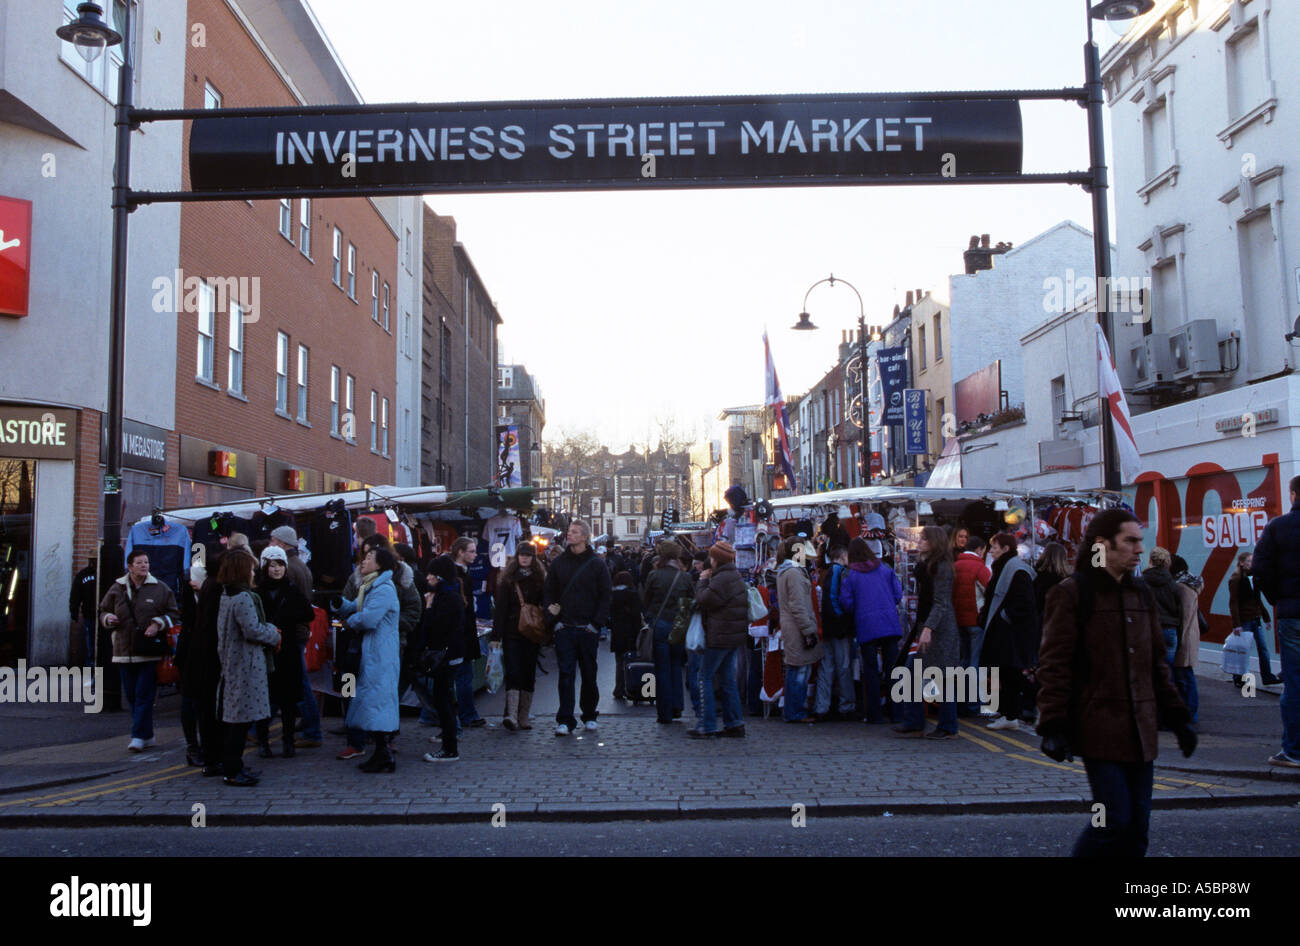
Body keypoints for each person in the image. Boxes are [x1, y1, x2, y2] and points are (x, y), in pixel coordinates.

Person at [1036, 508, 1196, 856]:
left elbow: (1156, 664)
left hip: (1141, 730)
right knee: (1112, 821)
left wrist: (1179, 716)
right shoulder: (1073, 593)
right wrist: (1053, 722)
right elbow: (1054, 663)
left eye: (1140, 541)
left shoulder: (1141, 594)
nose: (1139, 549)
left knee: (1137, 830)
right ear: (1102, 545)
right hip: (1099, 729)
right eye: (1130, 541)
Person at [99, 549, 180, 752]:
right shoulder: (117, 588)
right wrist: (108, 619)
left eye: (146, 562)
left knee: (144, 694)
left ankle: (136, 737)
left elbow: (173, 614)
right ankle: (148, 734)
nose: (144, 566)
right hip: (123, 650)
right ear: (129, 566)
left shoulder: (160, 589)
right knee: (132, 696)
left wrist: (157, 624)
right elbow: (103, 609)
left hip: (149, 651)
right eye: (139, 563)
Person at [214, 550, 282, 786]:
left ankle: (235, 766)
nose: (254, 573)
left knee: (236, 718)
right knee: (240, 721)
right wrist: (273, 634)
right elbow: (252, 630)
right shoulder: (242, 598)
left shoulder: (226, 595)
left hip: (232, 662)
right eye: (251, 569)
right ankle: (233, 770)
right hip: (245, 664)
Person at [336, 546, 401, 772]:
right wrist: (341, 605)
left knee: (378, 701)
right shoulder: (370, 587)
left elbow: (369, 618)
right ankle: (380, 753)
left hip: (381, 655)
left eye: (369, 558)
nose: (363, 561)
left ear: (380, 564)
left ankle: (383, 754)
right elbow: (358, 607)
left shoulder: (383, 589)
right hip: (372, 653)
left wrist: (350, 622)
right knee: (370, 699)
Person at [1249, 475, 1300, 767]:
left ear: (1293, 494)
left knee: (1294, 683)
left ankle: (1294, 751)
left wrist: (1276, 599)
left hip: (1293, 614)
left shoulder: (1278, 527)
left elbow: (1259, 570)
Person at [544, 520, 612, 736]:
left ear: (584, 537)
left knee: (589, 674)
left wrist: (596, 624)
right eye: (569, 531)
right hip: (565, 628)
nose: (569, 535)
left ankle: (590, 714)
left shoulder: (596, 564)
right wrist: (555, 622)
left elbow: (605, 596)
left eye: (574, 532)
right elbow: (549, 593)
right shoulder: (558, 563)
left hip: (587, 629)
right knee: (565, 675)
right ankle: (565, 719)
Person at [896, 526, 960, 739]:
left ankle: (947, 726)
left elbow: (941, 603)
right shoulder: (928, 564)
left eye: (924, 538)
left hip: (939, 629)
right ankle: (915, 722)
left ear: (934, 541)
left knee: (943, 676)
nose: (920, 541)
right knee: (913, 671)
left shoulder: (942, 567)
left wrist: (928, 629)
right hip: (926, 625)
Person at [254, 546, 315, 758]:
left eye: (280, 565)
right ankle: (263, 742)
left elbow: (308, 613)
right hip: (265, 651)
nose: (277, 569)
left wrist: (286, 618)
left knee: (288, 700)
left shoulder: (291, 589)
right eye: (272, 565)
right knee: (265, 699)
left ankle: (288, 740)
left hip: (288, 648)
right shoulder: (258, 592)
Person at [268, 526, 324, 750]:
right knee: (293, 680)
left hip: (291, 632)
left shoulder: (288, 567)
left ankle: (312, 730)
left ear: (281, 543)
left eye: (272, 540)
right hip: (298, 630)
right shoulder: (299, 564)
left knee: (297, 682)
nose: (270, 544)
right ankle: (307, 726)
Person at [839, 537, 904, 724]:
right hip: (889, 623)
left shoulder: (850, 575)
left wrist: (859, 608)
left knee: (870, 671)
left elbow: (846, 602)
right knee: (893, 670)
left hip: (867, 625)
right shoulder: (884, 569)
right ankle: (896, 713)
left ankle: (875, 714)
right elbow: (898, 594)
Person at [980, 532, 1039, 732]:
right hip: (1005, 631)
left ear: (1005, 549)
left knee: (1010, 673)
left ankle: (1010, 714)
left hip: (1010, 633)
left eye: (995, 547)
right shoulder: (1005, 567)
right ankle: (1007, 712)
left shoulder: (1015, 569)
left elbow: (1025, 603)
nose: (991, 551)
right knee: (1004, 672)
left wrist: (1005, 616)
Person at [690, 541, 748, 738]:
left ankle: (707, 725)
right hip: (733, 636)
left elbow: (705, 600)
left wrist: (703, 581)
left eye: (712, 557)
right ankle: (734, 722)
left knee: (704, 677)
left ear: (717, 559)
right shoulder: (735, 576)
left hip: (720, 635)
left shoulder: (721, 579)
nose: (710, 560)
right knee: (727, 679)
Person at [179, 551, 228, 775]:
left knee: (203, 705)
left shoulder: (210, 588)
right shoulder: (214, 589)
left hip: (198, 655)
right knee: (199, 705)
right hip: (198, 655)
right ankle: (200, 750)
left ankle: (207, 754)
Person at [490, 542, 546, 730]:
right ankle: (512, 715)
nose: (524, 558)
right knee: (513, 671)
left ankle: (523, 716)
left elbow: (544, 604)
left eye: (528, 555)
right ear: (517, 556)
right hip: (512, 631)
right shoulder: (508, 580)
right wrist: (496, 636)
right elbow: (501, 609)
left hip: (531, 632)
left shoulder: (540, 579)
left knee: (528, 673)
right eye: (522, 555)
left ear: (533, 558)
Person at [418, 555, 466, 762]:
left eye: (431, 574)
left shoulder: (446, 598)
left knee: (443, 700)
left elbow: (434, 628)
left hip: (445, 657)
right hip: (450, 655)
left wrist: (428, 609)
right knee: (442, 698)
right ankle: (449, 743)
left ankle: (449, 748)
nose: (427, 577)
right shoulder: (449, 595)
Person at [642, 540, 694, 724]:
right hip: (678, 624)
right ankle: (677, 707)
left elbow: (646, 601)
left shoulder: (654, 575)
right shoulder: (685, 577)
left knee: (662, 669)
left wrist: (650, 617)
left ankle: (664, 712)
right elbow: (691, 601)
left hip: (660, 624)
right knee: (676, 666)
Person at [777, 537, 823, 723]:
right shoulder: (794, 574)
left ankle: (793, 711)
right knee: (799, 672)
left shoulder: (786, 571)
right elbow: (799, 606)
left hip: (792, 625)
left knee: (796, 670)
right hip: (797, 627)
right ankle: (795, 712)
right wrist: (808, 630)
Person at [952, 533, 992, 716]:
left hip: (959, 619)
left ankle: (961, 702)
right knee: (976, 663)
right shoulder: (980, 568)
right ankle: (975, 705)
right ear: (979, 549)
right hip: (977, 620)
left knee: (963, 661)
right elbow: (990, 592)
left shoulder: (955, 566)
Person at [814, 545, 855, 720]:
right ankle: (847, 706)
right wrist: (842, 619)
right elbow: (834, 598)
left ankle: (821, 706)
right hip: (838, 627)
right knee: (844, 666)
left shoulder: (825, 573)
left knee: (827, 667)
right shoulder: (839, 571)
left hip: (828, 627)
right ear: (843, 555)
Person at [1229, 552, 1281, 686]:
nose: (1252, 564)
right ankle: (1239, 677)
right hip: (1245, 619)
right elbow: (1233, 602)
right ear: (1241, 563)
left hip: (1256, 618)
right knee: (1243, 649)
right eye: (1249, 561)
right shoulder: (1235, 580)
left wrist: (1266, 617)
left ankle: (1267, 676)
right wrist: (1236, 624)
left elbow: (1258, 600)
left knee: (1263, 648)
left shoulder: (1254, 578)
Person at [1169, 555, 1202, 725]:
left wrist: (1179, 641)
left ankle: (1190, 716)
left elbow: (1185, 617)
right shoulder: (1186, 585)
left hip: (1185, 637)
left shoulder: (1182, 588)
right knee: (1185, 677)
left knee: (1185, 678)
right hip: (1188, 636)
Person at [1142, 547, 1183, 671]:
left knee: (1150, 669)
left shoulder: (1142, 581)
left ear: (1151, 560)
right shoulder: (1173, 584)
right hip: (1170, 628)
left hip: (1149, 628)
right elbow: (1179, 611)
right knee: (1168, 670)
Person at [609, 570, 642, 702]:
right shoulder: (632, 595)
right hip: (630, 631)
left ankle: (619, 688)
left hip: (617, 631)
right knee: (631, 660)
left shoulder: (612, 595)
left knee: (619, 661)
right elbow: (637, 614)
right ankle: (632, 687)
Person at [70, 556, 99, 669]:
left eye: (95, 560)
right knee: (90, 646)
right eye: (91, 560)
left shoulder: (105, 571)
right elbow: (75, 595)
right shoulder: (83, 575)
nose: (93, 562)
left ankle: (99, 674)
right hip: (89, 615)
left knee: (97, 646)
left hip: (104, 616)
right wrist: (74, 612)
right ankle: (90, 673)